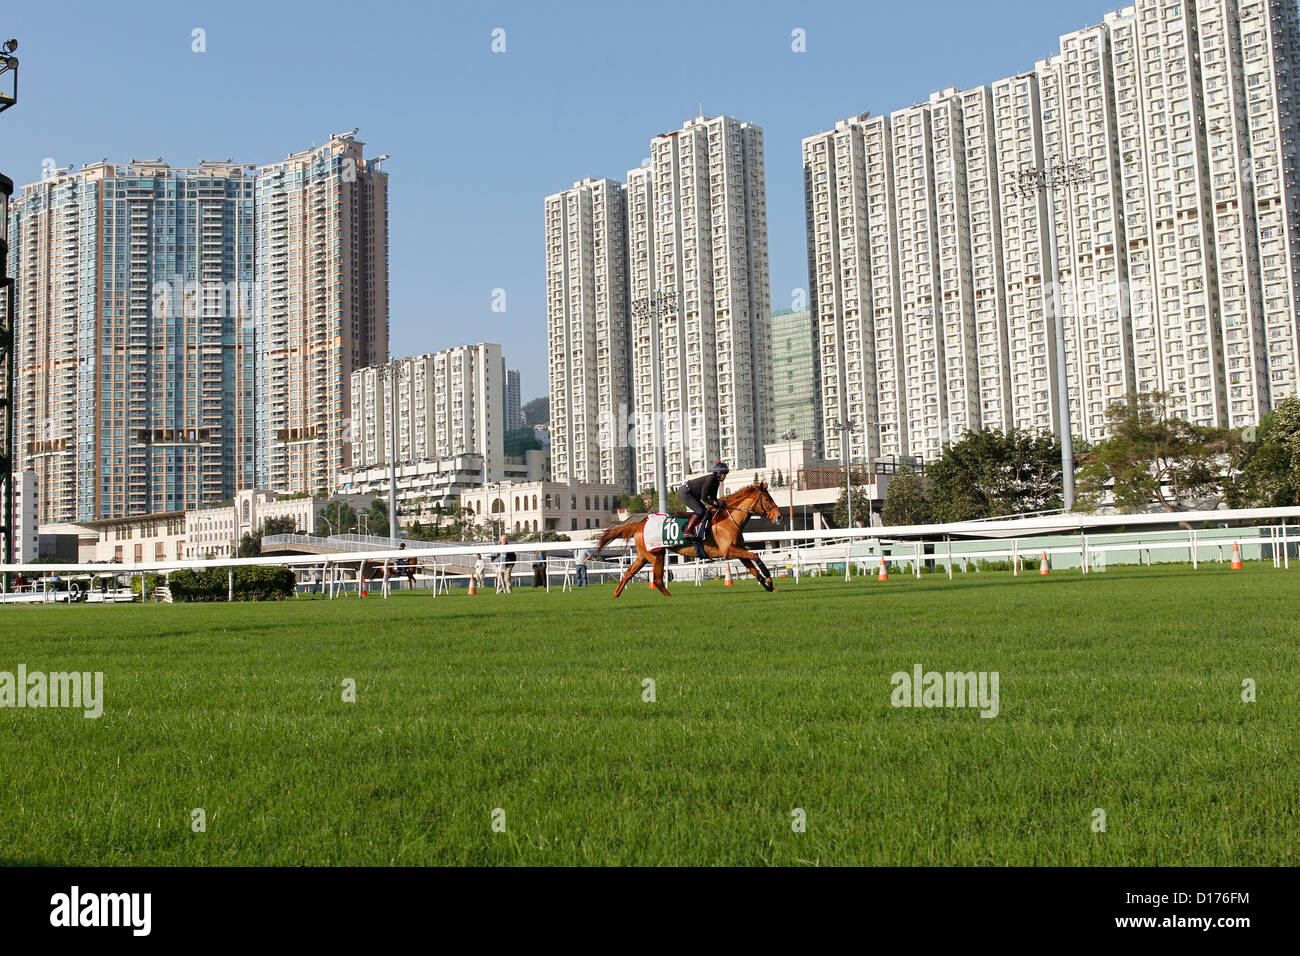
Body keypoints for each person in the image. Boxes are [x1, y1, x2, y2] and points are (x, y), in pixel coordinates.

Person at [679, 460, 729, 539]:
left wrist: (719, 503)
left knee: (705, 511)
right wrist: (715, 504)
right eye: (724, 474)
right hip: (686, 492)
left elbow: (713, 497)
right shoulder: (710, 480)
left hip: (692, 494)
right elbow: (704, 497)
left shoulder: (717, 483)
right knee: (700, 511)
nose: (725, 476)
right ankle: (687, 531)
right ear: (719, 473)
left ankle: (699, 530)